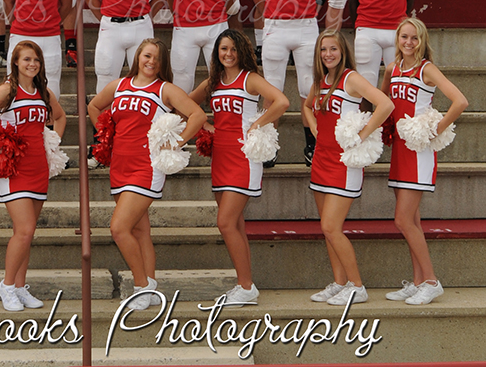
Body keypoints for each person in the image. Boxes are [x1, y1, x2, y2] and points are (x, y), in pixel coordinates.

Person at [87, 38, 205, 309]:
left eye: (157, 59)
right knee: (140, 230)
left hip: (146, 166)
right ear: (137, 56)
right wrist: (105, 135)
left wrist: (177, 142)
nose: (151, 62)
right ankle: (151, 286)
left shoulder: (165, 89)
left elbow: (196, 115)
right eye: (147, 56)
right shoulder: (118, 86)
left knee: (119, 228)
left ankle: (141, 286)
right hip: (119, 165)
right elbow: (94, 107)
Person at [0, 40, 66, 311]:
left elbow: (60, 117)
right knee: (24, 230)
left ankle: (20, 287)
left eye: (36, 60)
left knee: (27, 232)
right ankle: (7, 285)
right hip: (13, 168)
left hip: (38, 166)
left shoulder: (44, 92)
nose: (32, 64)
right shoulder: (7, 90)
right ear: (16, 63)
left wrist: (52, 142)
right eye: (26, 60)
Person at [190, 30, 289, 304]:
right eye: (223, 49)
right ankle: (245, 285)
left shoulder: (250, 79)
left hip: (243, 157)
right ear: (217, 52)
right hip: (220, 157)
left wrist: (256, 125)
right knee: (236, 224)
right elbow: (187, 103)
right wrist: (205, 125)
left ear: (241, 51)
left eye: (233, 49)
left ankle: (245, 288)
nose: (229, 54)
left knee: (225, 222)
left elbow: (281, 102)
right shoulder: (214, 81)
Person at [381, 17, 468, 305]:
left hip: (419, 153)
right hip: (400, 151)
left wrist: (434, 130)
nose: (408, 42)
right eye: (404, 37)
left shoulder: (426, 69)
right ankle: (417, 282)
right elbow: (385, 104)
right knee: (413, 220)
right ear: (397, 39)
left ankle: (431, 281)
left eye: (414, 38)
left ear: (422, 41)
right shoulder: (392, 69)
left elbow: (460, 101)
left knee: (402, 219)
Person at [304, 29, 393, 306]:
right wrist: (317, 129)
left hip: (345, 162)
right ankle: (339, 282)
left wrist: (362, 135)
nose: (328, 54)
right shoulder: (321, 80)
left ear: (343, 51)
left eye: (333, 49)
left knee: (331, 227)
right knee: (326, 227)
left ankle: (357, 286)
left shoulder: (351, 78)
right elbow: (307, 107)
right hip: (321, 160)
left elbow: (385, 104)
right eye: (323, 50)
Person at [248, 0, 329, 166]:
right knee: (273, 90)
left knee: (309, 88)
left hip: (306, 25)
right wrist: (273, 13)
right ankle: (268, 144)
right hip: (276, 25)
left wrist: (312, 10)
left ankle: (312, 144)